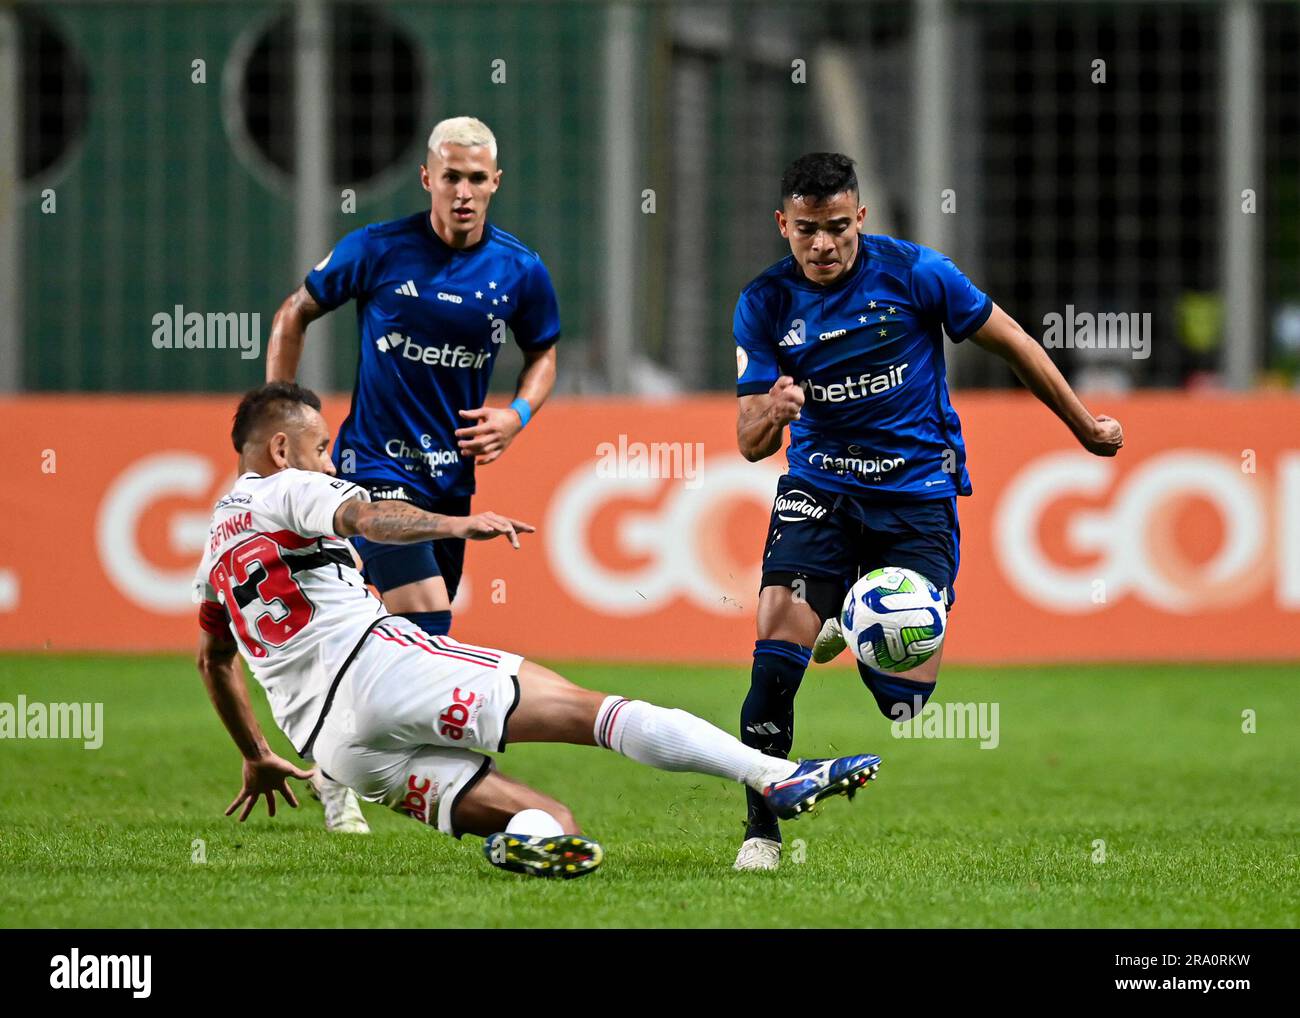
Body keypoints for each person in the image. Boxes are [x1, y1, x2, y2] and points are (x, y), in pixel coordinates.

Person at [193, 383, 881, 879]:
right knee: (595, 713)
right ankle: (774, 775)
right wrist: (455, 523)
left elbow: (214, 661)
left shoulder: (215, 547)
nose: (329, 462)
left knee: (556, 826)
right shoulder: (287, 486)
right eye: (321, 448)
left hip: (336, 747)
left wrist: (256, 753)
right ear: (280, 447)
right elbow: (367, 517)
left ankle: (524, 844)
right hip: (380, 670)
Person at [731, 152, 1124, 871]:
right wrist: (774, 413)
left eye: (839, 227)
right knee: (774, 658)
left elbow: (1016, 343)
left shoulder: (917, 274)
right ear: (783, 224)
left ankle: (850, 616)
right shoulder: (764, 303)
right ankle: (761, 832)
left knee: (904, 703)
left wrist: (1085, 426)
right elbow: (750, 443)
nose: (824, 245)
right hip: (819, 489)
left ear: (861, 218)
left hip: (917, 496)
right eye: (808, 230)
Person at [264, 116, 560, 832]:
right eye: (450, 177)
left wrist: (517, 413)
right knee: (425, 614)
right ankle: (430, 779)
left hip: (449, 481)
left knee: (417, 636)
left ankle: (335, 760)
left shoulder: (520, 270)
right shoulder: (377, 249)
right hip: (373, 469)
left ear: (496, 183)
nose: (463, 192)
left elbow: (545, 354)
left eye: (477, 179)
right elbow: (293, 314)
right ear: (428, 177)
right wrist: (285, 427)